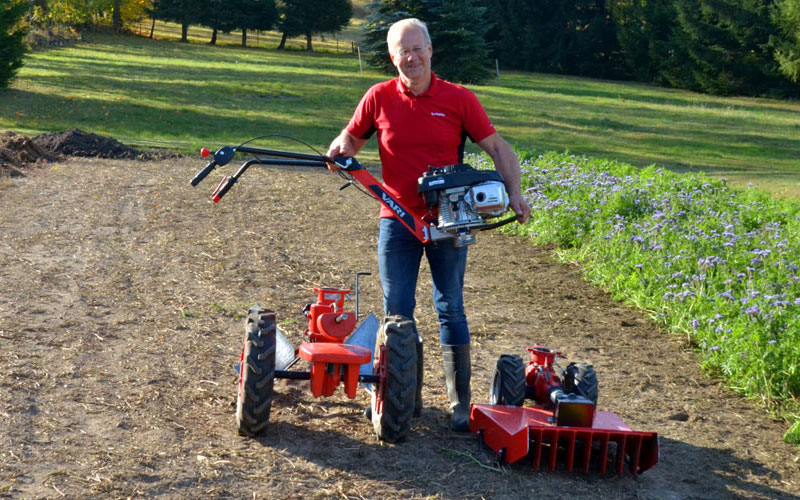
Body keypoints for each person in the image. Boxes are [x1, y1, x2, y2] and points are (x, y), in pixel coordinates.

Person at [326, 18, 530, 432]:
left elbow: (498, 148)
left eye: (418, 49)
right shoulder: (378, 97)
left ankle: (459, 403)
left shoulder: (458, 99)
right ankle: (401, 396)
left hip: (450, 220)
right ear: (392, 56)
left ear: (431, 50)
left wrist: (515, 193)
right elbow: (350, 138)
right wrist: (340, 149)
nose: (412, 57)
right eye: (403, 50)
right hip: (397, 218)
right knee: (397, 309)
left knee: (450, 305)